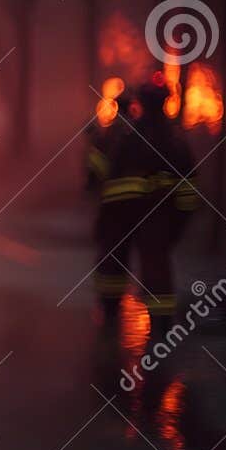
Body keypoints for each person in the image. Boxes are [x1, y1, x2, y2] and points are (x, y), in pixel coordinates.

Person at [89, 74, 199, 334]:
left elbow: (108, 180)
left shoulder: (126, 138)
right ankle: (161, 325)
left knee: (115, 261)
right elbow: (188, 188)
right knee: (156, 267)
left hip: (121, 213)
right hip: (156, 216)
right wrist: (177, 225)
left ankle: (110, 311)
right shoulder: (176, 141)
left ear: (141, 102)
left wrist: (106, 217)